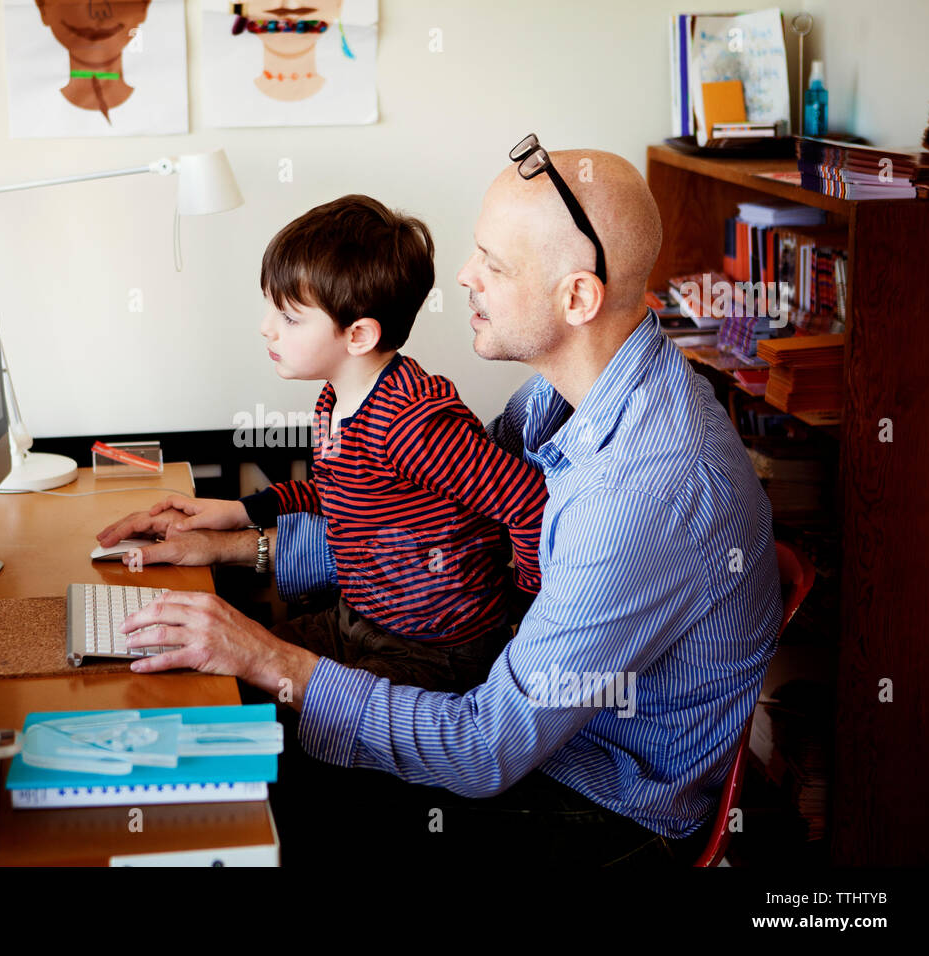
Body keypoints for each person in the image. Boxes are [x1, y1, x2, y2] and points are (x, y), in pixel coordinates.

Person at [96, 142, 783, 865]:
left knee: (241, 802)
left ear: (577, 297)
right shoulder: (566, 391)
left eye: (494, 262)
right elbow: (424, 531)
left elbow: (485, 749)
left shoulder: (640, 496)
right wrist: (244, 543)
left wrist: (270, 658)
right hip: (526, 725)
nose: (463, 277)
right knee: (216, 747)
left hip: (595, 797)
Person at [138, 193, 547, 693]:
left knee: (260, 710)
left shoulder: (414, 424)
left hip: (435, 652)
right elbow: (340, 489)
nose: (266, 327)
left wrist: (526, 609)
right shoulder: (337, 398)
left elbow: (528, 503)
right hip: (357, 621)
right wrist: (243, 510)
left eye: (289, 318)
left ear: (357, 336)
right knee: (217, 676)